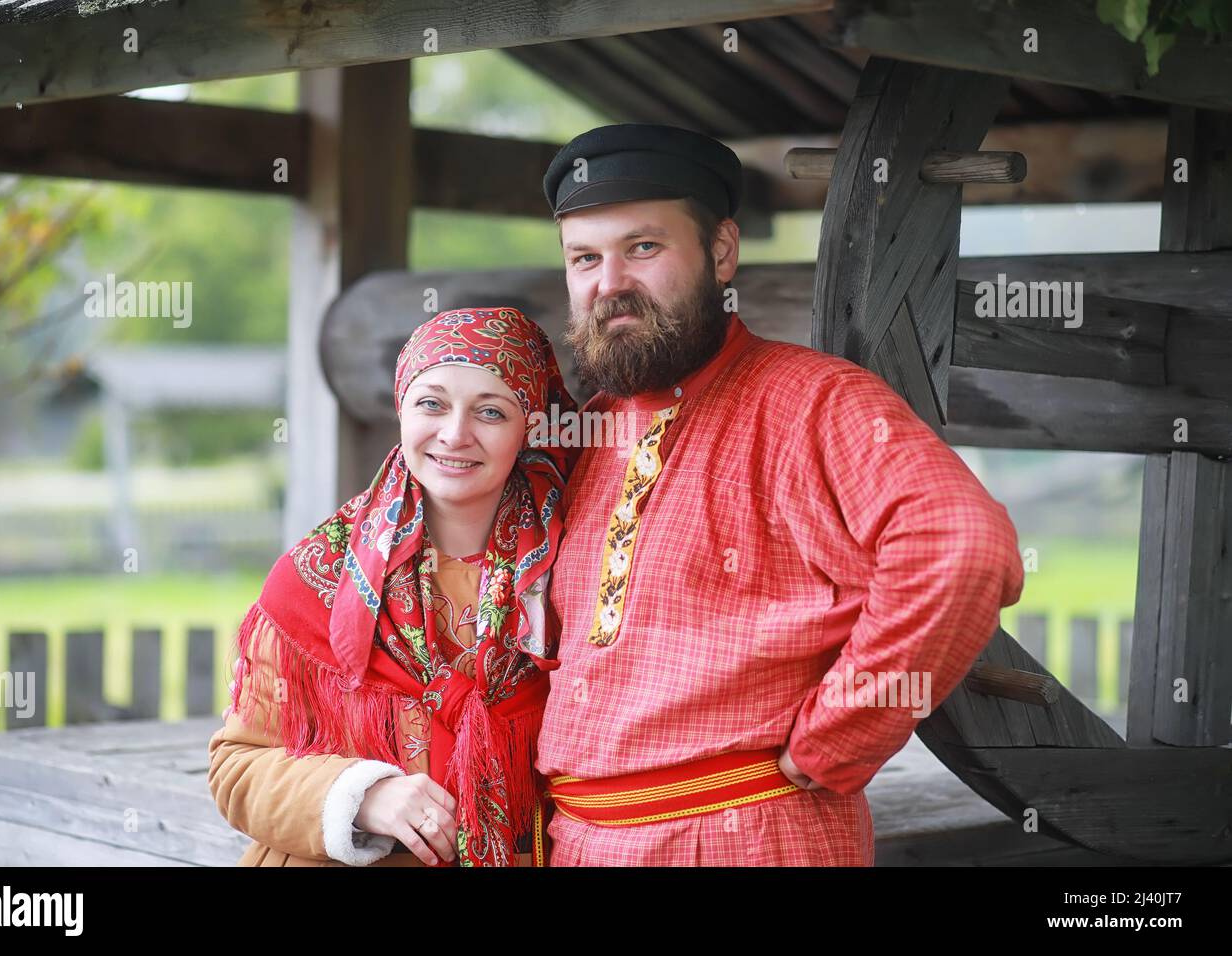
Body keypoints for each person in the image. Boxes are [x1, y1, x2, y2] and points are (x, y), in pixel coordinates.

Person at [535, 123, 1026, 865]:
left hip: (741, 837)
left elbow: (962, 545)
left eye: (643, 248)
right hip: (571, 842)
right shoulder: (583, 435)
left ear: (722, 251)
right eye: (584, 259)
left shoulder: (814, 402)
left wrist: (837, 738)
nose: (610, 284)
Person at [208, 306, 575, 867]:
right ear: (401, 408)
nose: (455, 434)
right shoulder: (319, 574)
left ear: (529, 425)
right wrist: (360, 795)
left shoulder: (572, 568)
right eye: (432, 403)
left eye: (491, 411)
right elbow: (239, 768)